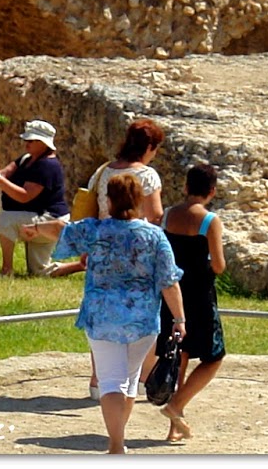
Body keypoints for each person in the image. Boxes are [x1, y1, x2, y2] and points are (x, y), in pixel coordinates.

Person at [53, 173, 185, 456]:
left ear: (108, 200)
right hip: (143, 320)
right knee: (129, 379)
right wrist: (180, 318)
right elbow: (169, 281)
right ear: (139, 200)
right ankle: (118, 438)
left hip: (102, 318)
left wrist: (34, 229)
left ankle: (116, 444)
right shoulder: (154, 235)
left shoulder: (94, 230)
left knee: (110, 381)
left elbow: (61, 233)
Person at [50, 117, 168, 396]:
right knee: (144, 312)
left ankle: (98, 380)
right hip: (138, 253)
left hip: (102, 249)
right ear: (149, 146)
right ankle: (139, 376)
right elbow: (155, 215)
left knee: (101, 315)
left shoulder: (103, 172)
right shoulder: (148, 176)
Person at [155, 162, 227, 443]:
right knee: (213, 357)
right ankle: (175, 406)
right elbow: (219, 265)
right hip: (200, 295)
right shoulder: (210, 221)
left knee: (179, 358)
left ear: (185, 187)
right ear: (212, 191)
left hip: (173, 294)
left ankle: (175, 425)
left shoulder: (168, 216)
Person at [0, 119, 69, 276]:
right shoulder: (27, 158)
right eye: (27, 139)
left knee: (5, 219)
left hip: (50, 222)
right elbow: (3, 175)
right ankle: (82, 264)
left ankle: (7, 270)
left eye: (32, 140)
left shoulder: (47, 166)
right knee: (39, 272)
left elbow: (24, 196)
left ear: (44, 143)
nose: (27, 143)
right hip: (38, 220)